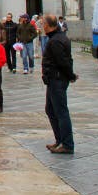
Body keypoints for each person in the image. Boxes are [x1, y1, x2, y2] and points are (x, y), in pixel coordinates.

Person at [41, 13, 77, 154]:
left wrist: (70, 75)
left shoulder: (56, 41)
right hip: (54, 79)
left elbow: (63, 62)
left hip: (57, 79)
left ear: (49, 25)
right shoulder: (56, 38)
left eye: (43, 24)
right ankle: (60, 140)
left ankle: (67, 144)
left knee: (61, 111)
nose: (42, 26)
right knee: (50, 109)